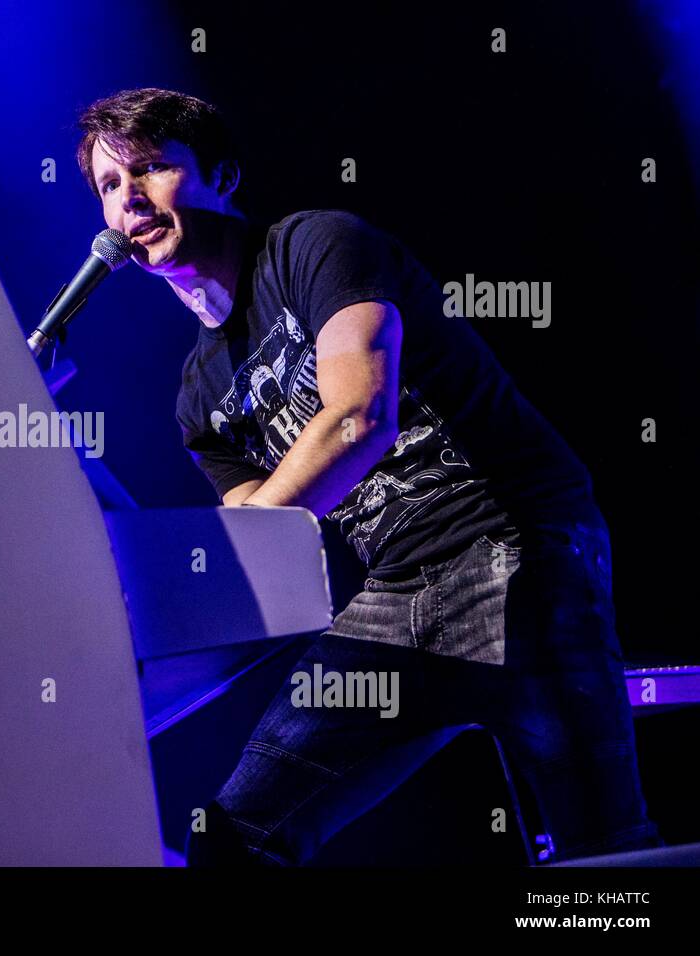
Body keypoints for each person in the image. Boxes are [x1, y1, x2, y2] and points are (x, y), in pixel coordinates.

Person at [75, 87, 663, 865]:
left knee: (599, 865)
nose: (130, 200)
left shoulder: (315, 245)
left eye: (151, 169)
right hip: (392, 602)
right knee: (232, 843)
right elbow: (271, 541)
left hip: (514, 548)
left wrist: (233, 539)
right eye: (110, 186)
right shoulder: (198, 398)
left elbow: (358, 418)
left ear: (220, 172)